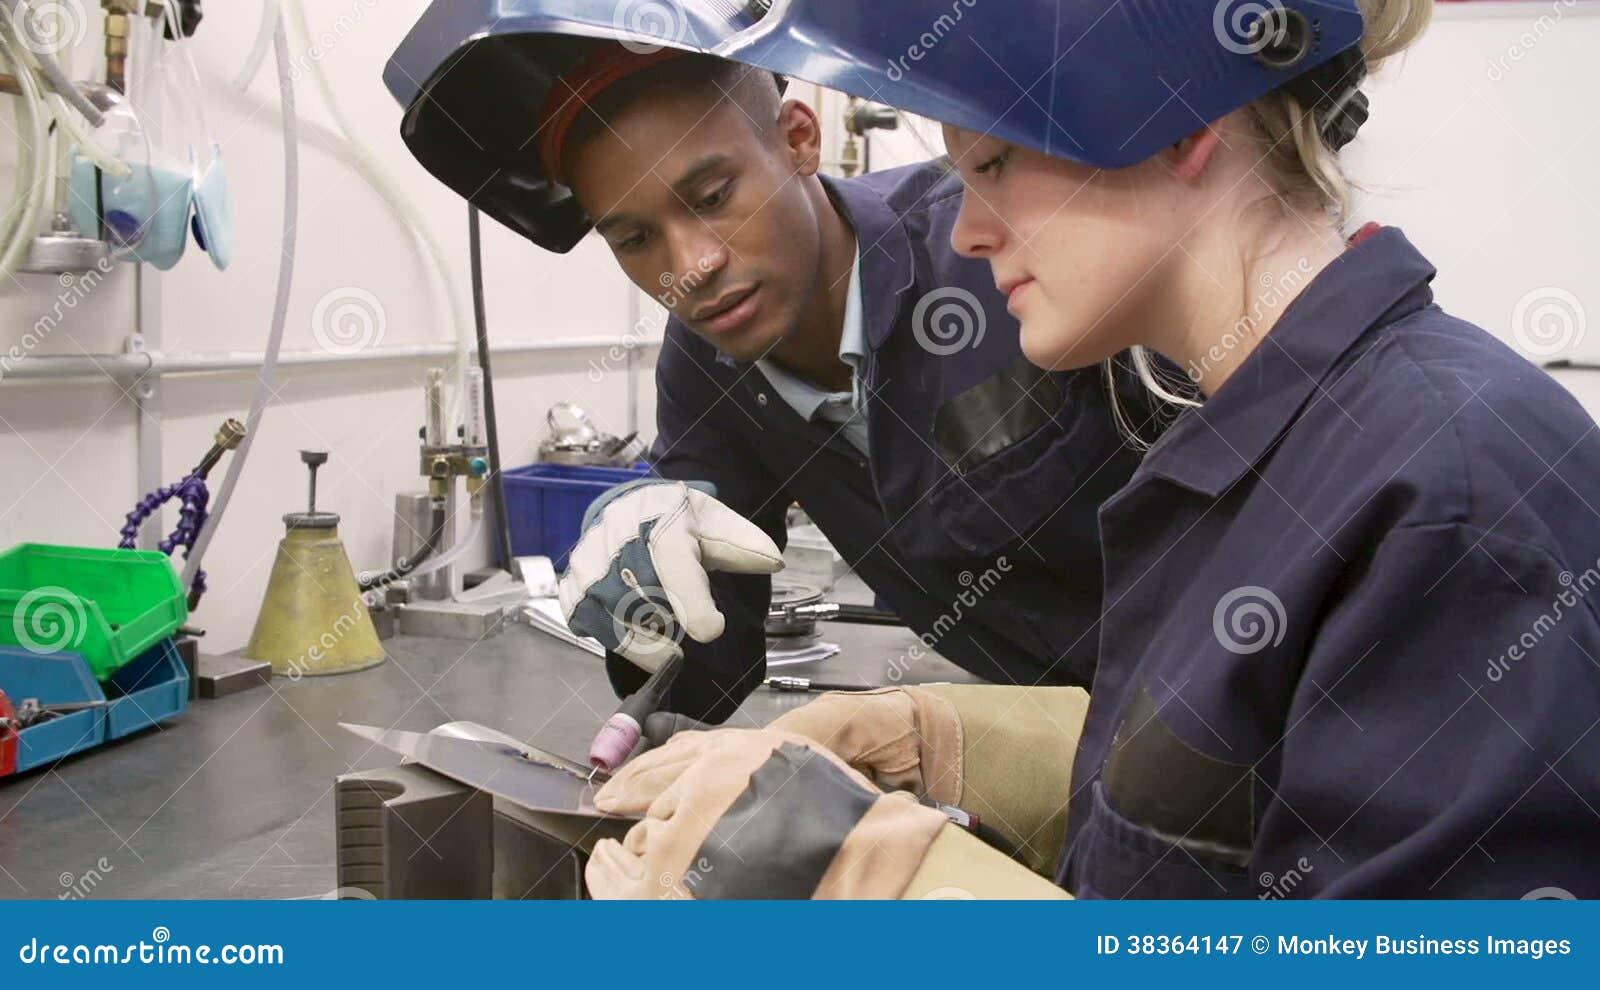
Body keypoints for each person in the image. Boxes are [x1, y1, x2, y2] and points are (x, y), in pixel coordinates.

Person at [583, 0, 1600, 899]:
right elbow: (1216, 813)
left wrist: (890, 887)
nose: (968, 233)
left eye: (992, 163)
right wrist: (933, 740)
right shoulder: (1238, 455)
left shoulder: (1450, 486)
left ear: (1183, 123)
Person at [386, 4, 1166, 745]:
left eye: (714, 197)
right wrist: (638, 599)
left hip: (1239, 710)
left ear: (798, 138)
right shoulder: (708, 368)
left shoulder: (994, 248)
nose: (689, 269)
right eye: (633, 239)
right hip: (1064, 748)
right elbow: (708, 673)